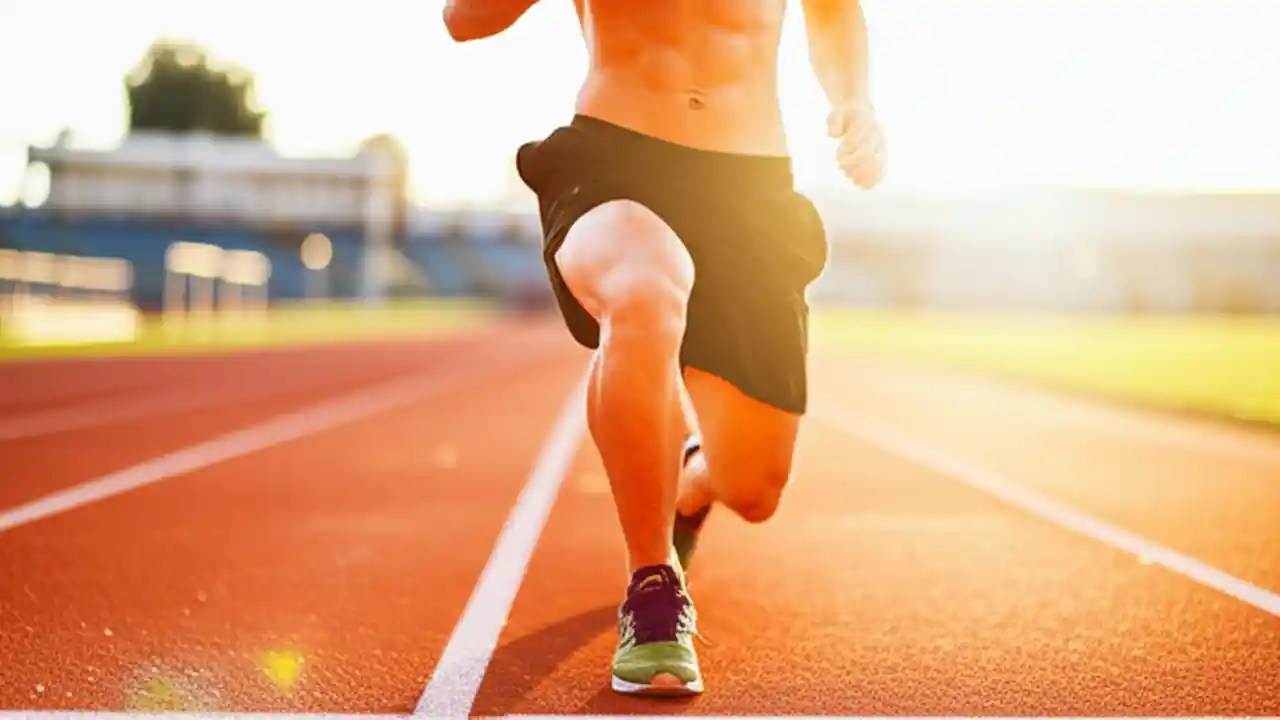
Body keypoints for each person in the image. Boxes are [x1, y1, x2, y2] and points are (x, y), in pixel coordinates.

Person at [443, 0, 884, 697]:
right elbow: (463, 19)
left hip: (750, 190)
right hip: (615, 162)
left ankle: (690, 487)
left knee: (754, 487)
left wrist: (854, 101)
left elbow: (833, 12)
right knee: (643, 291)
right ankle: (653, 591)